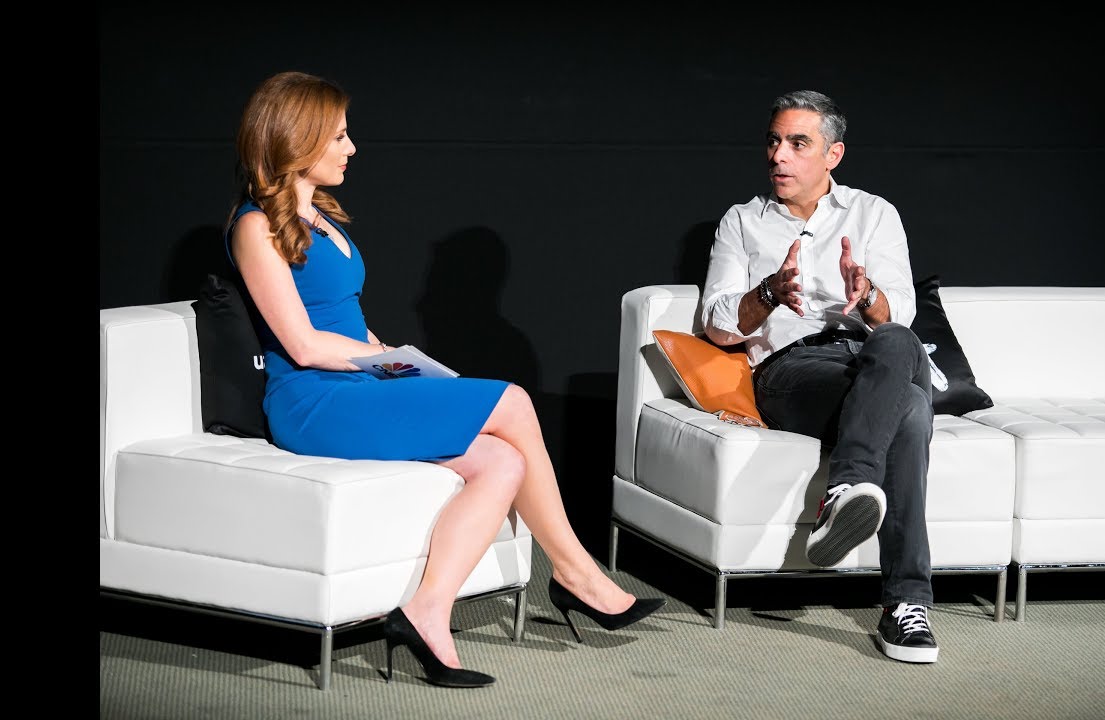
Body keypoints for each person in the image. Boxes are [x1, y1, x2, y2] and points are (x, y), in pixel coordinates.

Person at [224, 71, 664, 689]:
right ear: (298, 139)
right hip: (312, 400)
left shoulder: (320, 218)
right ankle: (576, 572)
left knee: (501, 464)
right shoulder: (255, 226)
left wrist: (394, 355)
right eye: (340, 137)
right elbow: (301, 342)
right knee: (510, 400)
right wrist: (381, 365)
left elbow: (344, 321)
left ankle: (425, 611)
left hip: (356, 386)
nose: (352, 149)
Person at [701, 90, 938, 663]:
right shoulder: (742, 222)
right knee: (908, 409)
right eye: (774, 141)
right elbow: (715, 324)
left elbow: (899, 313)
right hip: (793, 370)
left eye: (797, 144)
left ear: (833, 154)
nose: (778, 155)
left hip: (870, 353)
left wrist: (869, 297)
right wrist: (767, 295)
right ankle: (907, 603)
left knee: (897, 342)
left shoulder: (875, 214)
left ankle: (844, 492)